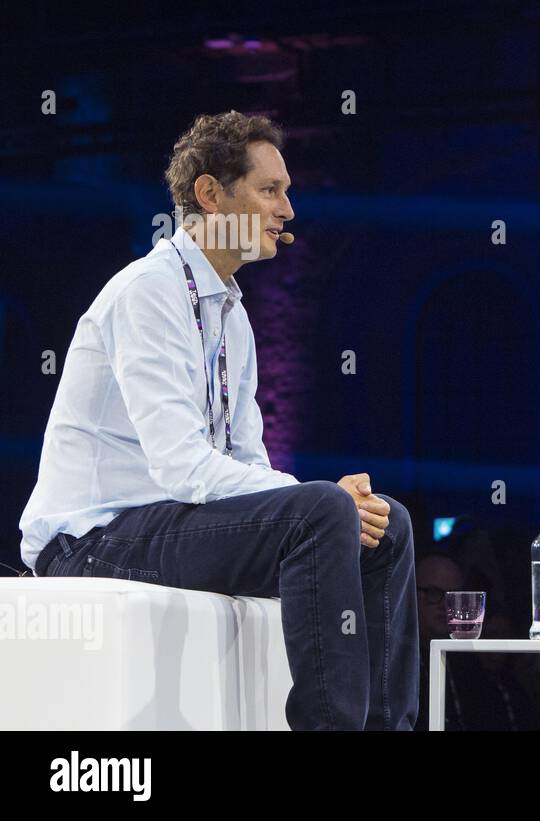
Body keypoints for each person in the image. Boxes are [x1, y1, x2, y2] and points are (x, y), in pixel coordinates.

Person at [17, 111, 420, 731]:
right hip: (93, 538)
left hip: (170, 524)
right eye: (270, 190)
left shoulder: (232, 313)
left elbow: (244, 465)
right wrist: (316, 500)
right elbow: (182, 467)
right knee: (323, 512)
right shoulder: (148, 293)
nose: (288, 210)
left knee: (386, 527)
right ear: (210, 195)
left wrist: (330, 504)